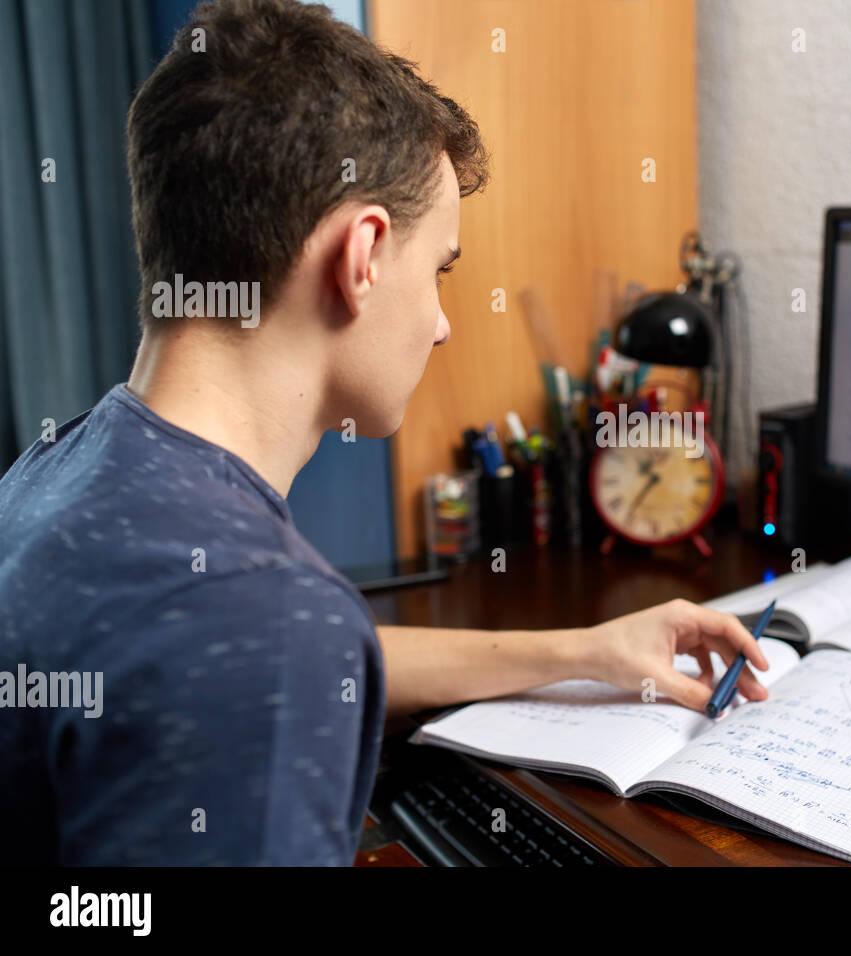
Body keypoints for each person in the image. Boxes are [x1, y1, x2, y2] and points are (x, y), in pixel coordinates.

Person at [0, 0, 768, 865]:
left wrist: (582, 651)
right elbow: (269, 650)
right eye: (440, 270)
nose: (443, 326)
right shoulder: (261, 616)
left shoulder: (59, 468)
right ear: (361, 256)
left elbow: (278, 657)